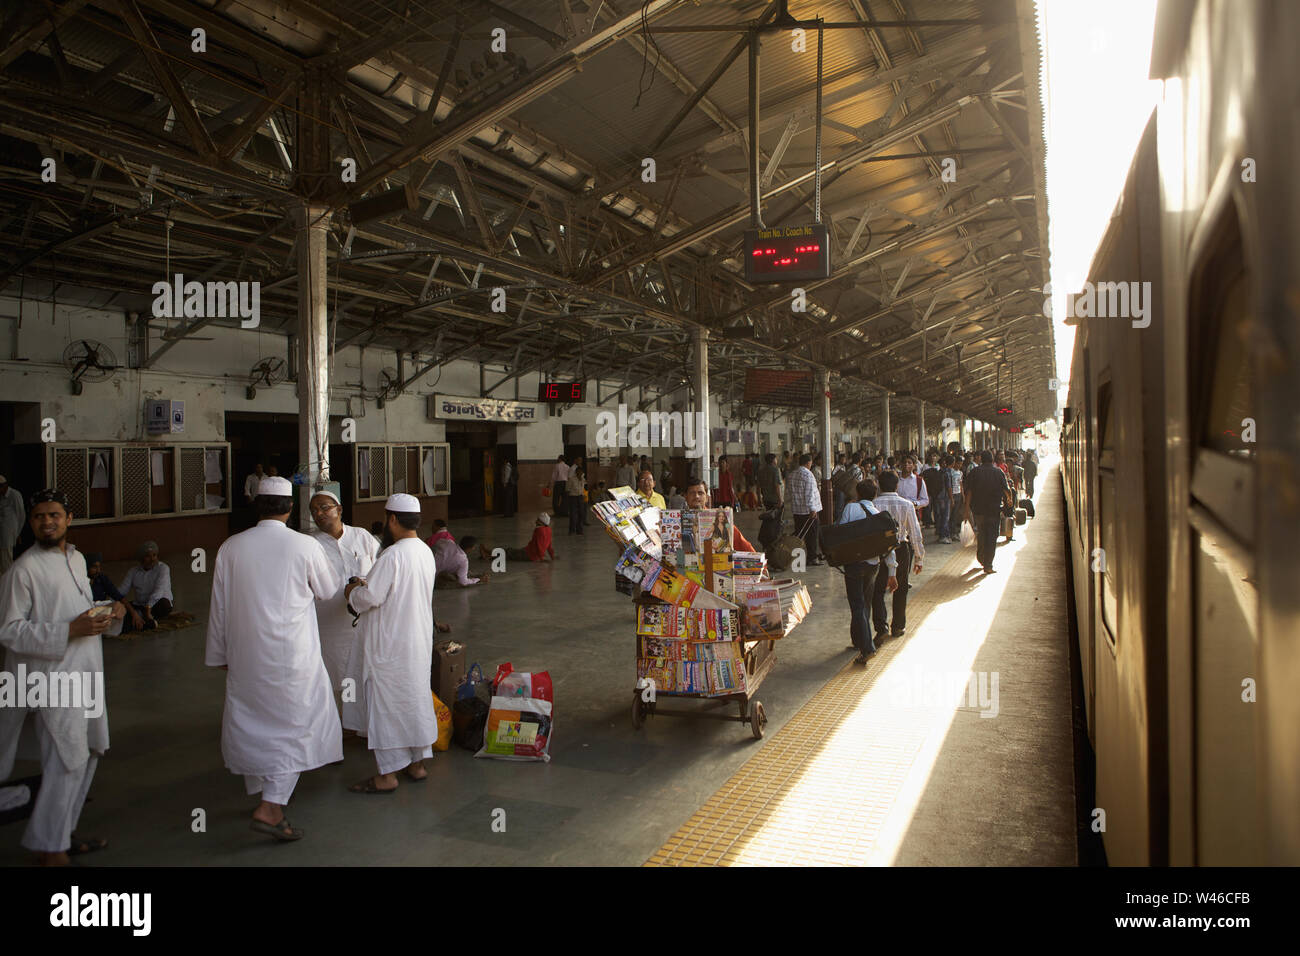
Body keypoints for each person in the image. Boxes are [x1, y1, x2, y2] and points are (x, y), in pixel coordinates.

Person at [206, 476, 342, 841]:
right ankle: (270, 806)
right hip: (293, 656)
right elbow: (329, 591)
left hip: (245, 653)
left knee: (254, 722)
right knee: (296, 724)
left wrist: (218, 653)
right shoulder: (304, 546)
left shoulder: (231, 547)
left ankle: (271, 796)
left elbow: (218, 607)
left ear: (257, 505)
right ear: (289, 508)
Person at [0, 488, 124, 865]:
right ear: (30, 522)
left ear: (68, 519)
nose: (47, 522)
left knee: (86, 753)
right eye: (39, 516)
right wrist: (67, 631)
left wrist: (112, 611)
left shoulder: (76, 558)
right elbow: (9, 630)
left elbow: (79, 612)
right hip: (51, 680)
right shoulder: (24, 569)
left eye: (54, 514)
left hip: (85, 673)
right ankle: (50, 850)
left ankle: (60, 834)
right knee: (67, 758)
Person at [342, 493, 438, 794]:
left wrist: (351, 592)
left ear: (393, 520)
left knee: (387, 704)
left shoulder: (393, 555)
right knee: (415, 698)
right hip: (417, 641)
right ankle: (418, 763)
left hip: (390, 644)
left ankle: (387, 775)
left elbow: (370, 597)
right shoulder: (424, 550)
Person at [308, 489, 379, 694]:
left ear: (338, 509)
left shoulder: (361, 536)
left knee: (364, 676)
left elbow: (380, 570)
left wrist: (363, 583)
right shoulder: (311, 544)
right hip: (329, 628)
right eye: (314, 510)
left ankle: (358, 721)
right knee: (336, 679)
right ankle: (344, 721)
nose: (318, 514)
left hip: (363, 623)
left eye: (324, 508)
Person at [838, 478, 898, 663]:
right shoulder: (877, 513)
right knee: (864, 604)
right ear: (875, 495)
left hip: (854, 564)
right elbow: (888, 546)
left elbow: (840, 531)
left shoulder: (850, 508)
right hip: (872, 565)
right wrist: (892, 573)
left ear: (858, 493)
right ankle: (858, 640)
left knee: (857, 605)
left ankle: (867, 648)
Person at [871, 471, 924, 642]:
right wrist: (919, 557)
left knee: (878, 590)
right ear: (897, 485)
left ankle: (881, 628)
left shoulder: (873, 504)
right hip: (901, 549)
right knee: (900, 589)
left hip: (879, 551)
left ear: (879, 485)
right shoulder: (907, 505)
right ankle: (898, 626)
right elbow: (915, 533)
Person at [964, 451, 1010, 575]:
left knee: (982, 534)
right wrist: (1009, 503)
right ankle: (988, 565)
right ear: (992, 459)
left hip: (978, 511)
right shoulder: (999, 472)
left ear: (981, 459)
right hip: (994, 511)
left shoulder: (974, 472)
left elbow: (969, 492)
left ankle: (982, 558)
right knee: (992, 537)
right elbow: (1006, 490)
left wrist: (966, 510)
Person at [682, 476, 755, 551]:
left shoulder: (721, 519)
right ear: (685, 497)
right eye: (692, 493)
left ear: (707, 498)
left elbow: (749, 550)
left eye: (700, 493)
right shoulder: (678, 521)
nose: (696, 496)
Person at [118, 542, 173, 632]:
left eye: (154, 555)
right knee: (122, 607)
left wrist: (148, 608)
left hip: (156, 604)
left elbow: (158, 591)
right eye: (148, 556)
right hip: (140, 605)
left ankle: (139, 619)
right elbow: (122, 591)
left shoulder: (163, 568)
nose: (152, 559)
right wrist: (109, 603)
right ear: (141, 559)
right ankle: (145, 622)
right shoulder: (133, 572)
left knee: (164, 605)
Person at [85, 553, 144, 630]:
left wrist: (134, 614)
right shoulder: (80, 582)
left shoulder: (101, 578)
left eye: (99, 567)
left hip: (103, 613)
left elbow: (118, 596)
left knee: (125, 612)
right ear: (86, 567)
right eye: (94, 567)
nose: (98, 570)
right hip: (87, 615)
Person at [787, 454, 824, 567]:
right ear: (809, 462)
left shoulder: (792, 474)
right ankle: (812, 558)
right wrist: (812, 509)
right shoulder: (808, 475)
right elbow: (809, 494)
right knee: (812, 535)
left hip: (797, 510)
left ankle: (794, 556)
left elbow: (790, 492)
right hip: (808, 511)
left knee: (800, 534)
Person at [478, 513, 557, 564]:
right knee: (509, 553)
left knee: (508, 552)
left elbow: (539, 545)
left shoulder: (539, 530)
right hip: (529, 551)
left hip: (530, 554)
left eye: (538, 520)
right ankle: (488, 554)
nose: (536, 521)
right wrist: (552, 556)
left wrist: (541, 558)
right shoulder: (548, 530)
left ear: (541, 522)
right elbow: (549, 545)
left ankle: (487, 553)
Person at [895, 455, 929, 529]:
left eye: (909, 463)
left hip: (912, 514)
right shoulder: (895, 479)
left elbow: (925, 500)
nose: (906, 464)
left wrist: (916, 504)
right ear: (901, 465)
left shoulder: (919, 481)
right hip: (897, 514)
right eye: (904, 462)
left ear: (914, 466)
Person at [0, 476, 24, 575]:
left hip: (8, 533)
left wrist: (17, 533)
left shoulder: (14, 495)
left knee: (6, 559)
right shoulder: (1, 496)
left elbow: (21, 515)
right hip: (2, 532)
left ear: (4, 486)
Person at [921, 452, 945, 529]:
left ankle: (937, 523)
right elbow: (923, 478)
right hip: (928, 489)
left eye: (935, 456)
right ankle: (927, 522)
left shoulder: (938, 466)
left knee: (936, 507)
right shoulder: (925, 466)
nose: (933, 458)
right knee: (928, 507)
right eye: (932, 456)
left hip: (936, 489)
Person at [566, 465, 586, 536]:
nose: (580, 473)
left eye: (581, 472)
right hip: (573, 497)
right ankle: (571, 530)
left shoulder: (583, 479)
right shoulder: (571, 479)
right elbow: (567, 490)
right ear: (576, 472)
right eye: (578, 472)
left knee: (581, 514)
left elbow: (583, 489)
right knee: (573, 515)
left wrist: (583, 496)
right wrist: (568, 500)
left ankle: (579, 530)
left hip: (580, 497)